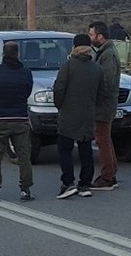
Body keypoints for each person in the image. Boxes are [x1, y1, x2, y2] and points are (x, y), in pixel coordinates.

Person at [0, 42, 34, 202]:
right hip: (20, 119)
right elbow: (27, 92)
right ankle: (25, 189)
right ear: (17, 54)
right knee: (24, 156)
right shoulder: (26, 73)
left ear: (3, 53)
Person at [52, 35, 105, 199]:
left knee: (65, 149)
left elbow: (59, 89)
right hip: (87, 115)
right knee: (86, 150)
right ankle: (84, 184)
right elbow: (102, 93)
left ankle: (68, 182)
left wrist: (60, 105)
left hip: (68, 114)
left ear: (74, 47)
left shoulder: (68, 66)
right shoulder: (97, 69)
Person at [88, 21, 122, 191]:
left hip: (104, 105)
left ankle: (108, 177)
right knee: (105, 139)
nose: (90, 37)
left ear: (100, 36)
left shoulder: (108, 55)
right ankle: (110, 173)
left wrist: (95, 96)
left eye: (91, 34)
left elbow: (106, 82)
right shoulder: (104, 52)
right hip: (104, 103)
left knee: (103, 140)